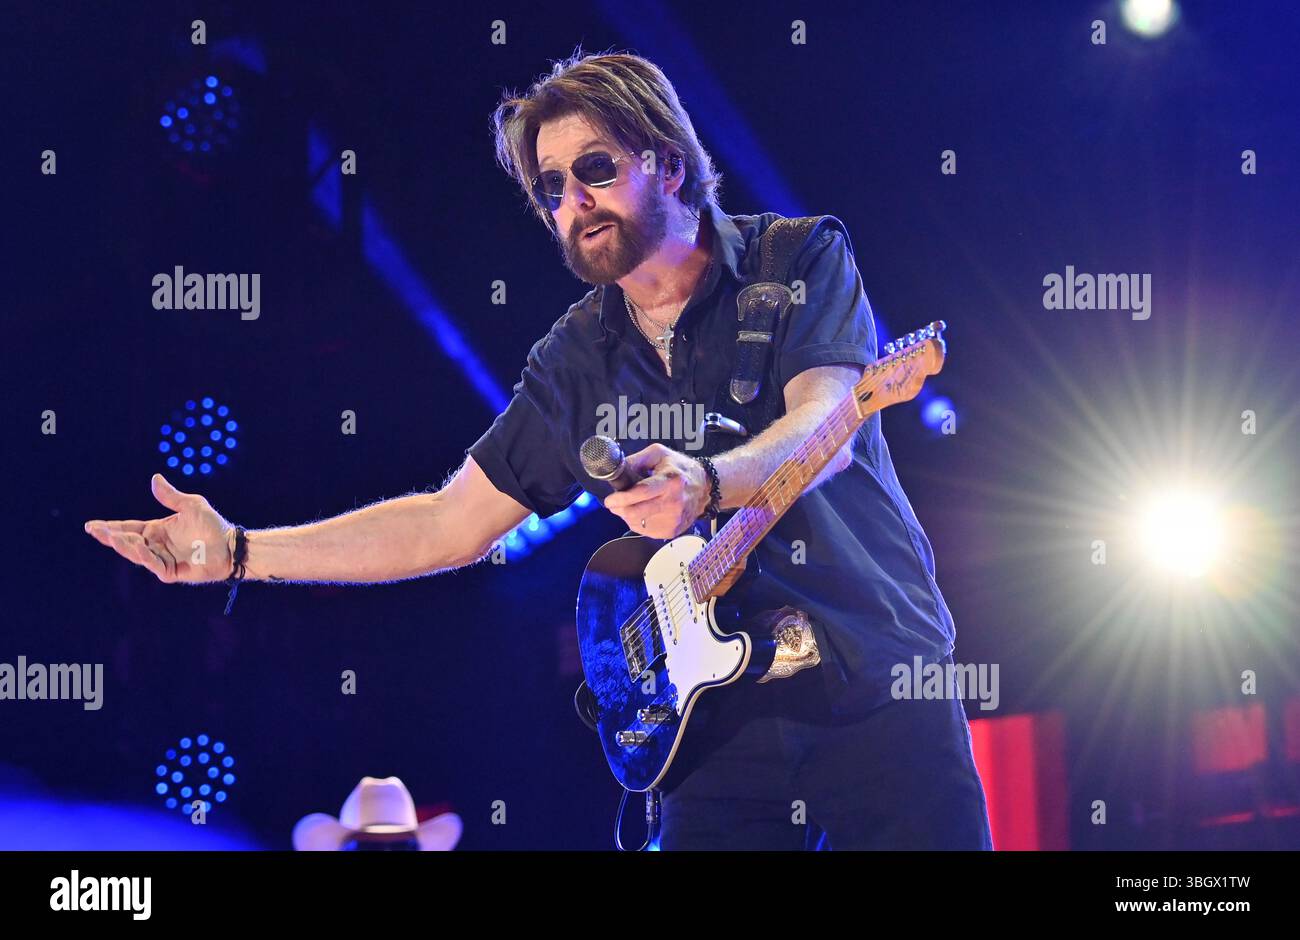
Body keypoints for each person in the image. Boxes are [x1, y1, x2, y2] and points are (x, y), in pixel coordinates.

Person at [85, 50, 991, 850]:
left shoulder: (796, 261)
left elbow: (825, 429)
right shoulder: (575, 359)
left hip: (878, 684)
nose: (573, 202)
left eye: (594, 169)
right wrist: (242, 551)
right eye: (551, 188)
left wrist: (707, 482)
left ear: (668, 163)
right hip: (713, 733)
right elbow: (449, 523)